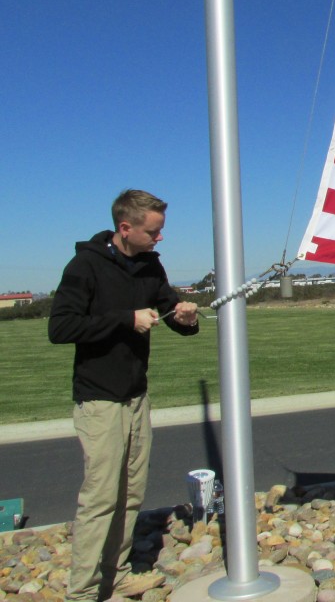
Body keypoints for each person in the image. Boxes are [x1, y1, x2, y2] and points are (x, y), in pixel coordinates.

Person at [49, 190, 200, 601]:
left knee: (131, 493)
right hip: (98, 399)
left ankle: (115, 575)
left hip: (137, 396)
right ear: (125, 228)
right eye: (154, 232)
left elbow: (170, 308)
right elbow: (60, 328)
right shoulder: (85, 265)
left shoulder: (150, 265)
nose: (160, 239)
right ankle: (82, 592)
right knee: (100, 498)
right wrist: (124, 320)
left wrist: (186, 317)